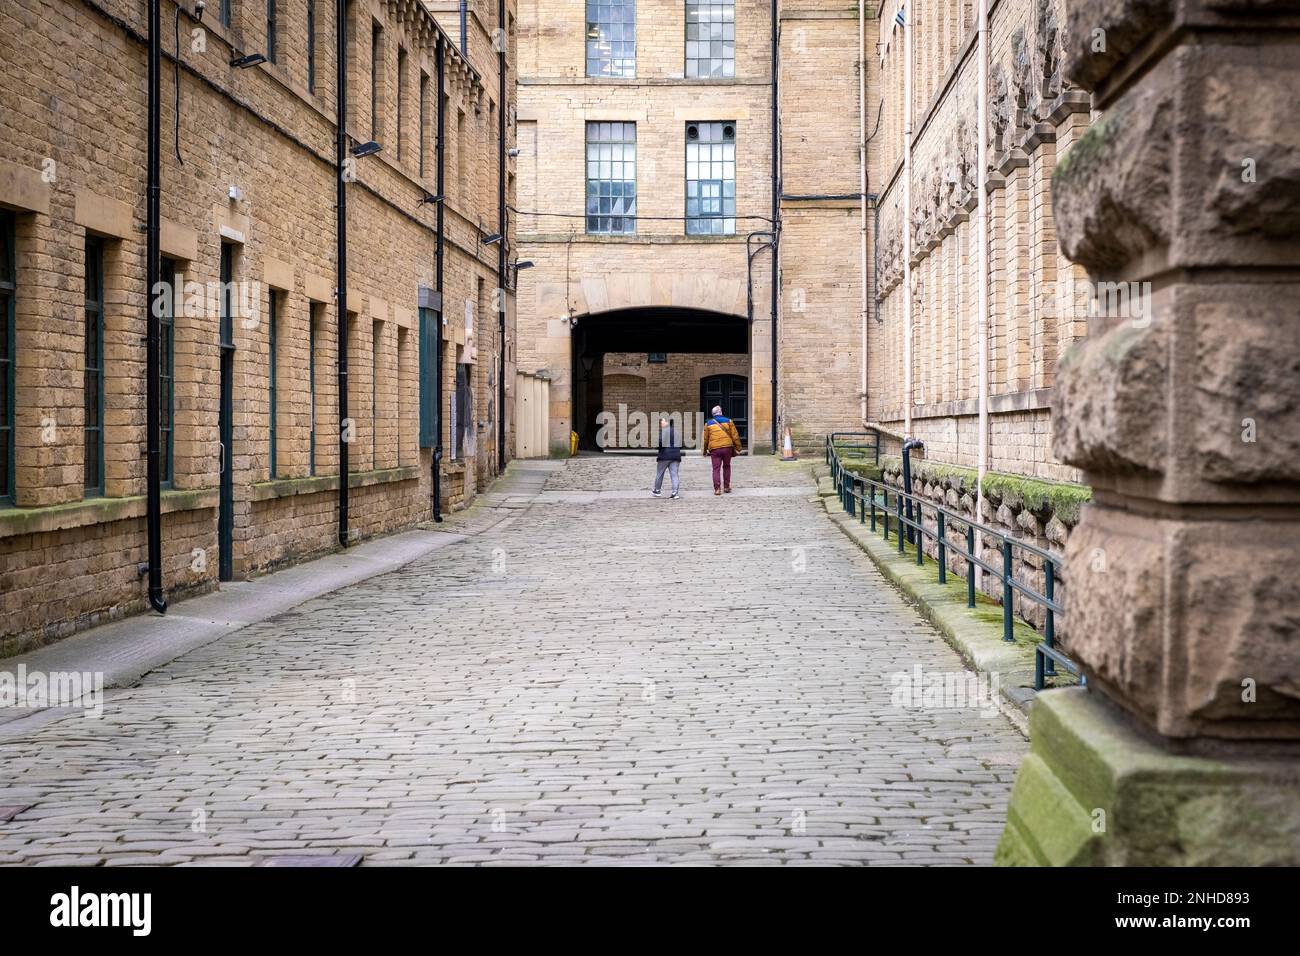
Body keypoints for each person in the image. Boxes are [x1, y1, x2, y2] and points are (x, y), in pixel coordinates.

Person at [701, 405, 742, 495]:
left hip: (714, 449)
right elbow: (735, 436)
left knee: (716, 469)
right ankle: (726, 487)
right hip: (727, 447)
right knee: (727, 466)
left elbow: (705, 439)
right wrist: (739, 448)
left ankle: (717, 489)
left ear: (713, 414)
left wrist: (704, 451)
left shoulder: (708, 424)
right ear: (721, 412)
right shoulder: (729, 421)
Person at [652, 417, 682, 499]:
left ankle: (657, 490)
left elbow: (660, 442)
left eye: (662, 421)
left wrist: (656, 447)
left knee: (660, 473)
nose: (661, 423)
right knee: (674, 474)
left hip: (664, 456)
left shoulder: (664, 431)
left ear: (667, 422)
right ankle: (675, 493)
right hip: (675, 455)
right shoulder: (676, 431)